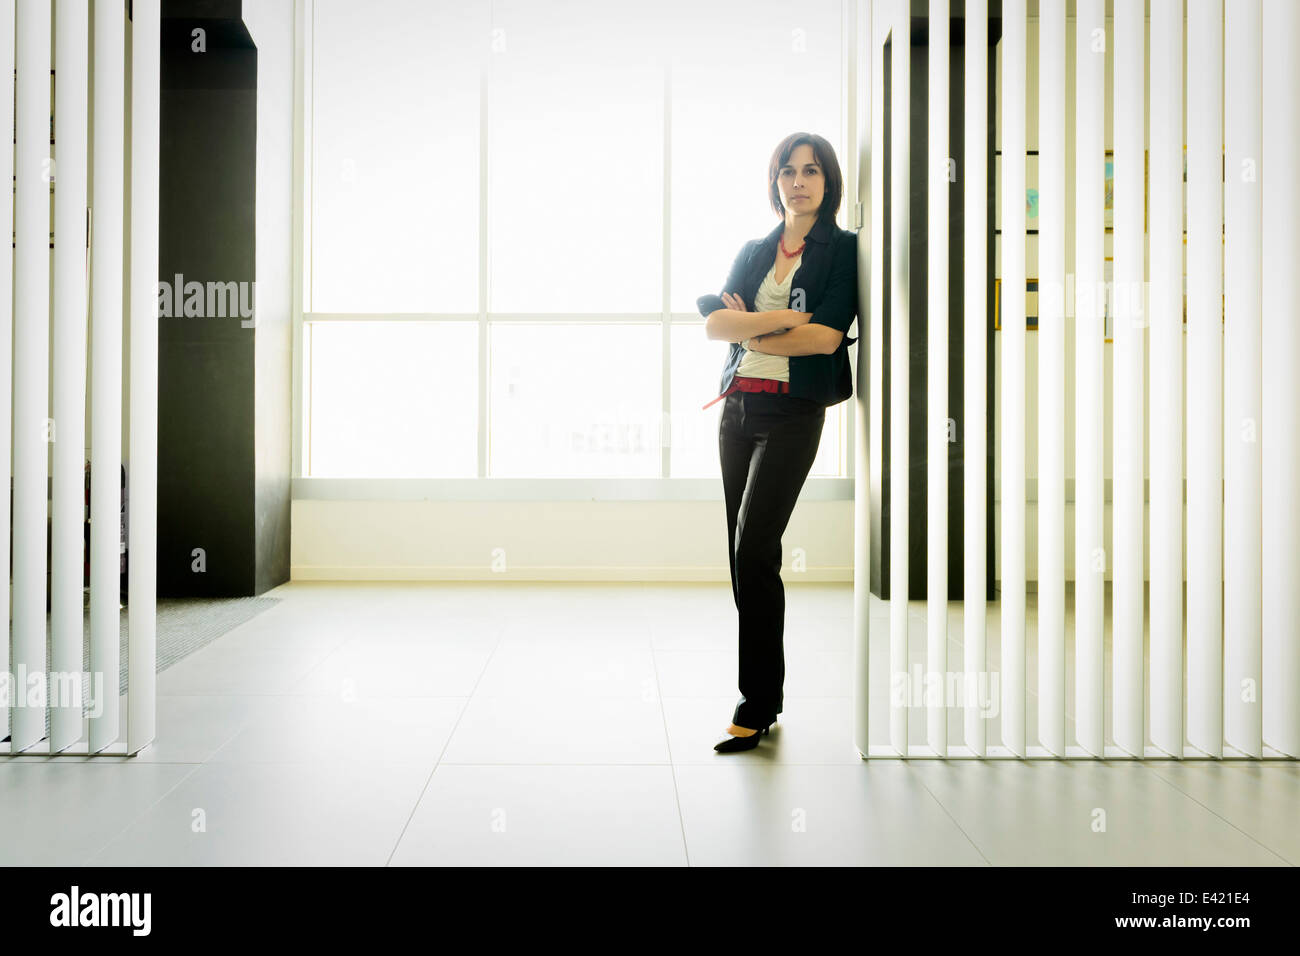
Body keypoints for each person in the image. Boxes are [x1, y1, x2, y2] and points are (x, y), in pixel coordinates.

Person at [697, 132, 859, 753]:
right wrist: (783, 319)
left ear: (828, 181)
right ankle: (764, 692)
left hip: (793, 414)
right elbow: (716, 324)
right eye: (788, 171)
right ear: (775, 183)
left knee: (755, 543)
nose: (799, 181)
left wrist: (754, 330)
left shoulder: (842, 251)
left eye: (811, 170)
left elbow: (825, 338)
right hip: (737, 411)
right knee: (742, 554)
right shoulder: (754, 249)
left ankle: (757, 701)